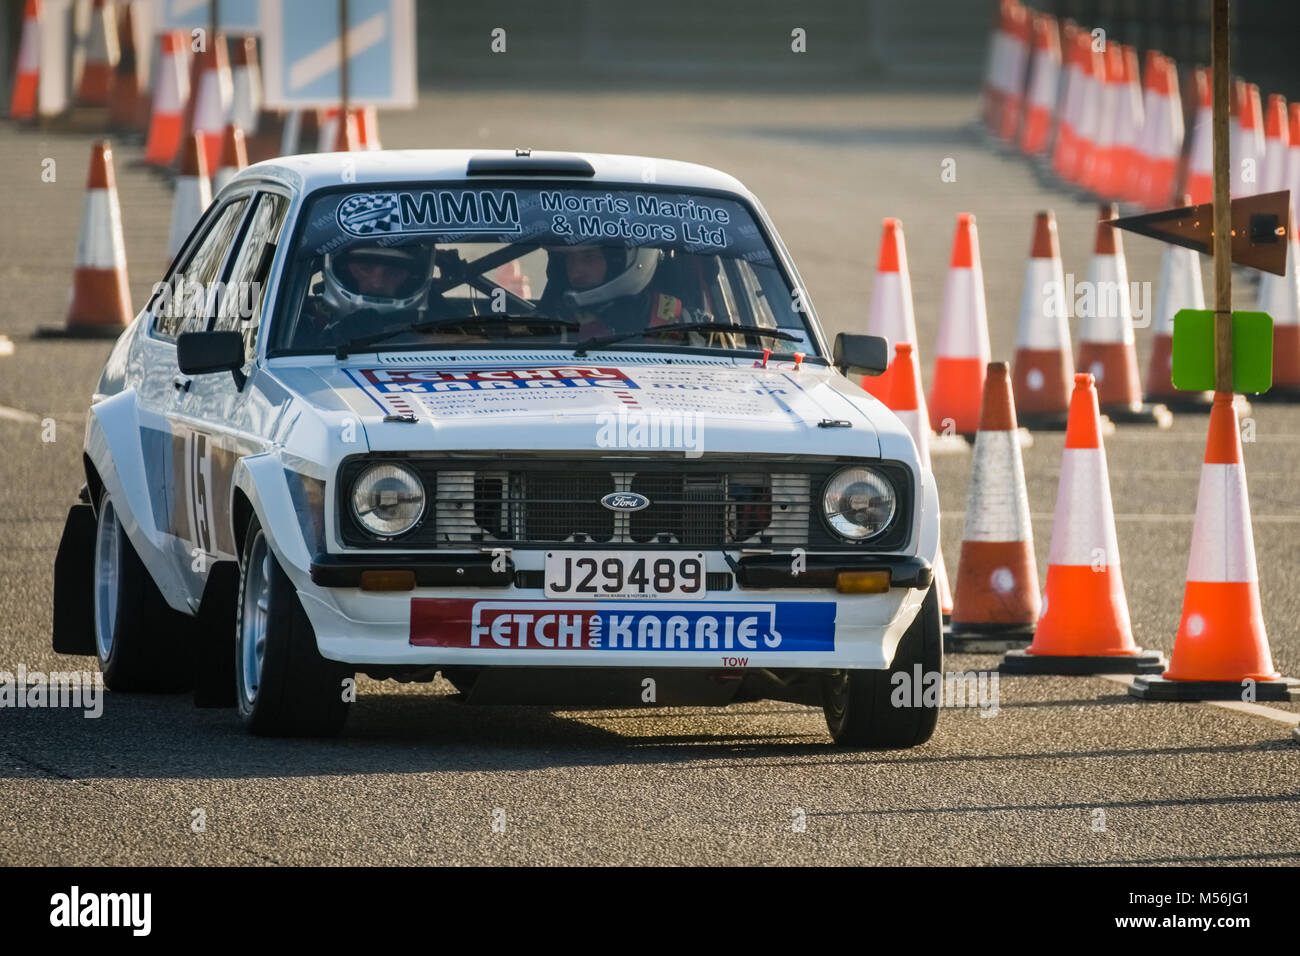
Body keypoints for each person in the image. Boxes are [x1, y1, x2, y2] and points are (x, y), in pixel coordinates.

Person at [538, 244, 681, 338]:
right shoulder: (554, 324)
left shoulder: (681, 320)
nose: (576, 271)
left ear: (618, 262)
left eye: (589, 257)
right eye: (568, 260)